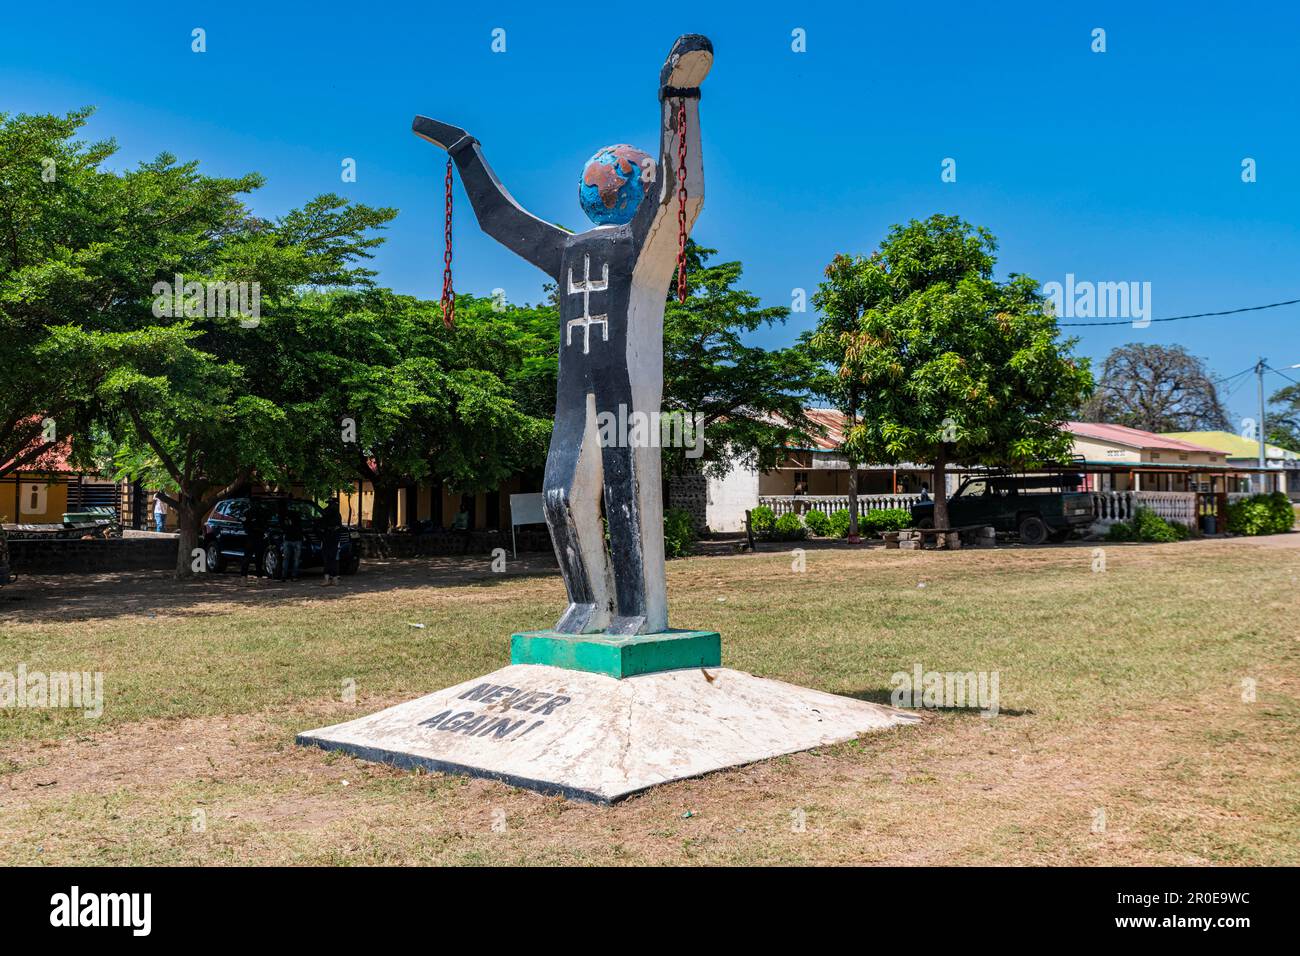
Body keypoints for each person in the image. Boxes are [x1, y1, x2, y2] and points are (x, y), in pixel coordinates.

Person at [413, 35, 711, 636]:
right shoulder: (568, 251)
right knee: (558, 496)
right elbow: (500, 218)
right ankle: (587, 602)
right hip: (575, 397)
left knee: (628, 499)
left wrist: (679, 96)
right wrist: (463, 150)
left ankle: (636, 611)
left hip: (628, 392)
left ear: (630, 186)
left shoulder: (640, 245)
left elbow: (683, 191)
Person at [240, 503, 268, 581]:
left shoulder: (251, 512)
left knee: (254, 558)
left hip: (255, 537)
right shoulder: (253, 513)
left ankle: (245, 577)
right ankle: (246, 577)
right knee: (253, 559)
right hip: (253, 538)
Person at [279, 501, 304, 582]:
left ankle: (284, 576)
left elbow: (282, 526)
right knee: (295, 559)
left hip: (289, 538)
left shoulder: (283, 516)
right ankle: (293, 576)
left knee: (287, 558)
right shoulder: (296, 514)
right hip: (295, 538)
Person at [321, 498, 342, 586]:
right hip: (329, 537)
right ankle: (331, 578)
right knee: (331, 558)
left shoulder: (331, 513)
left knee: (331, 558)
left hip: (331, 538)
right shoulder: (331, 513)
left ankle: (331, 578)